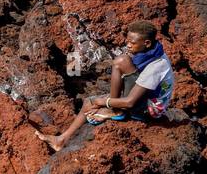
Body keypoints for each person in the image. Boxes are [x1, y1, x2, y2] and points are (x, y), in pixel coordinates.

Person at [35, 21, 175, 151]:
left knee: (120, 62)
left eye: (132, 43)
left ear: (147, 43)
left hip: (150, 110)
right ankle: (61, 140)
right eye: (127, 42)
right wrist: (103, 102)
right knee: (88, 102)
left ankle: (116, 111)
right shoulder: (148, 52)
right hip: (142, 97)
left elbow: (130, 102)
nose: (128, 45)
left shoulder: (156, 65)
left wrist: (103, 102)